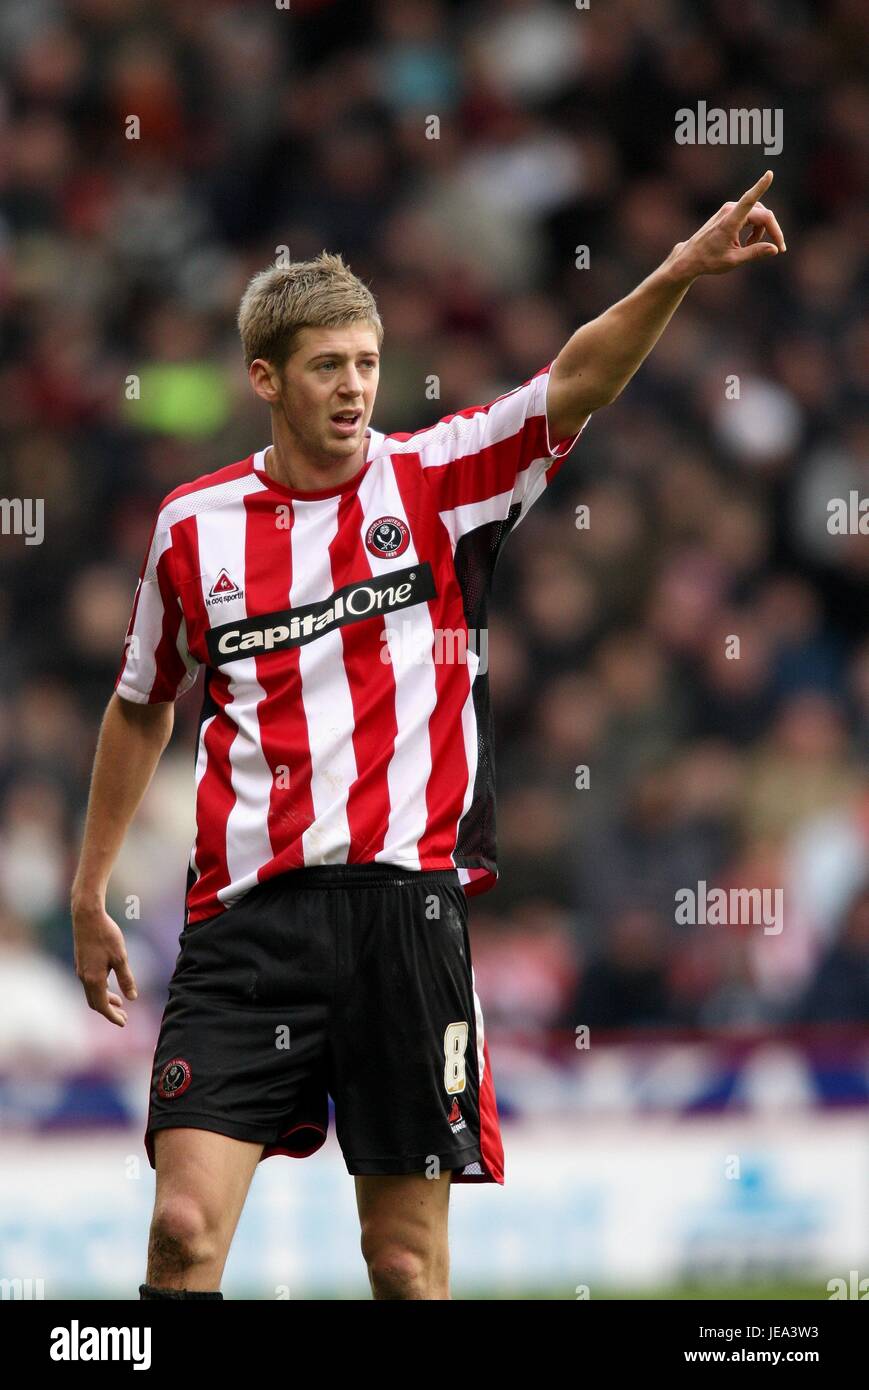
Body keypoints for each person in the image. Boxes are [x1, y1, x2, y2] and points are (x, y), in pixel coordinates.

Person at [70, 173, 785, 1300]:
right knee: (179, 1232)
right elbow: (140, 699)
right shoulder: (191, 530)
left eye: (365, 362)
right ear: (265, 378)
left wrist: (678, 272)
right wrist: (91, 887)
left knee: (402, 1264)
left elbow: (575, 379)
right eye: (325, 366)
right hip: (244, 927)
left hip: (405, 916)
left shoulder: (440, 478)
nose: (354, 386)